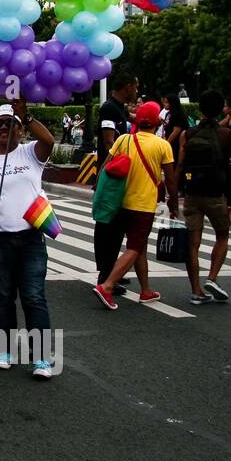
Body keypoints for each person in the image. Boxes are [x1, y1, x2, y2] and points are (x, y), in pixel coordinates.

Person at [0, 101, 56, 377]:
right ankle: (4, 350)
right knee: (2, 296)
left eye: (10, 123)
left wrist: (25, 115)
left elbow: (49, 140)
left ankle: (41, 358)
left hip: (30, 241)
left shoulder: (31, 153)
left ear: (19, 129)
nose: (4, 128)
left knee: (33, 296)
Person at [92, 101, 178, 309]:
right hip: (143, 206)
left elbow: (105, 166)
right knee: (135, 247)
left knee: (139, 247)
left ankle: (146, 290)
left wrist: (99, 191)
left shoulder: (124, 139)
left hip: (120, 203)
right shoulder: (162, 145)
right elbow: (171, 180)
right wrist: (173, 202)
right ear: (157, 121)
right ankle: (108, 285)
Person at [177, 91, 231, 306]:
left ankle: (196, 291)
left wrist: (173, 194)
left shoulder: (187, 134)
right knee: (222, 236)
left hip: (192, 194)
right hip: (216, 193)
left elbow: (180, 165)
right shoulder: (229, 134)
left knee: (193, 244)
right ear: (220, 110)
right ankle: (212, 277)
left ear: (200, 109)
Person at [93, 72, 138, 296]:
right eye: (135, 87)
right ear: (127, 86)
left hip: (121, 173)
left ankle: (111, 271)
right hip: (112, 175)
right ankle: (105, 273)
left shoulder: (119, 108)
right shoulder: (109, 108)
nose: (136, 92)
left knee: (117, 225)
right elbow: (109, 140)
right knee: (108, 226)